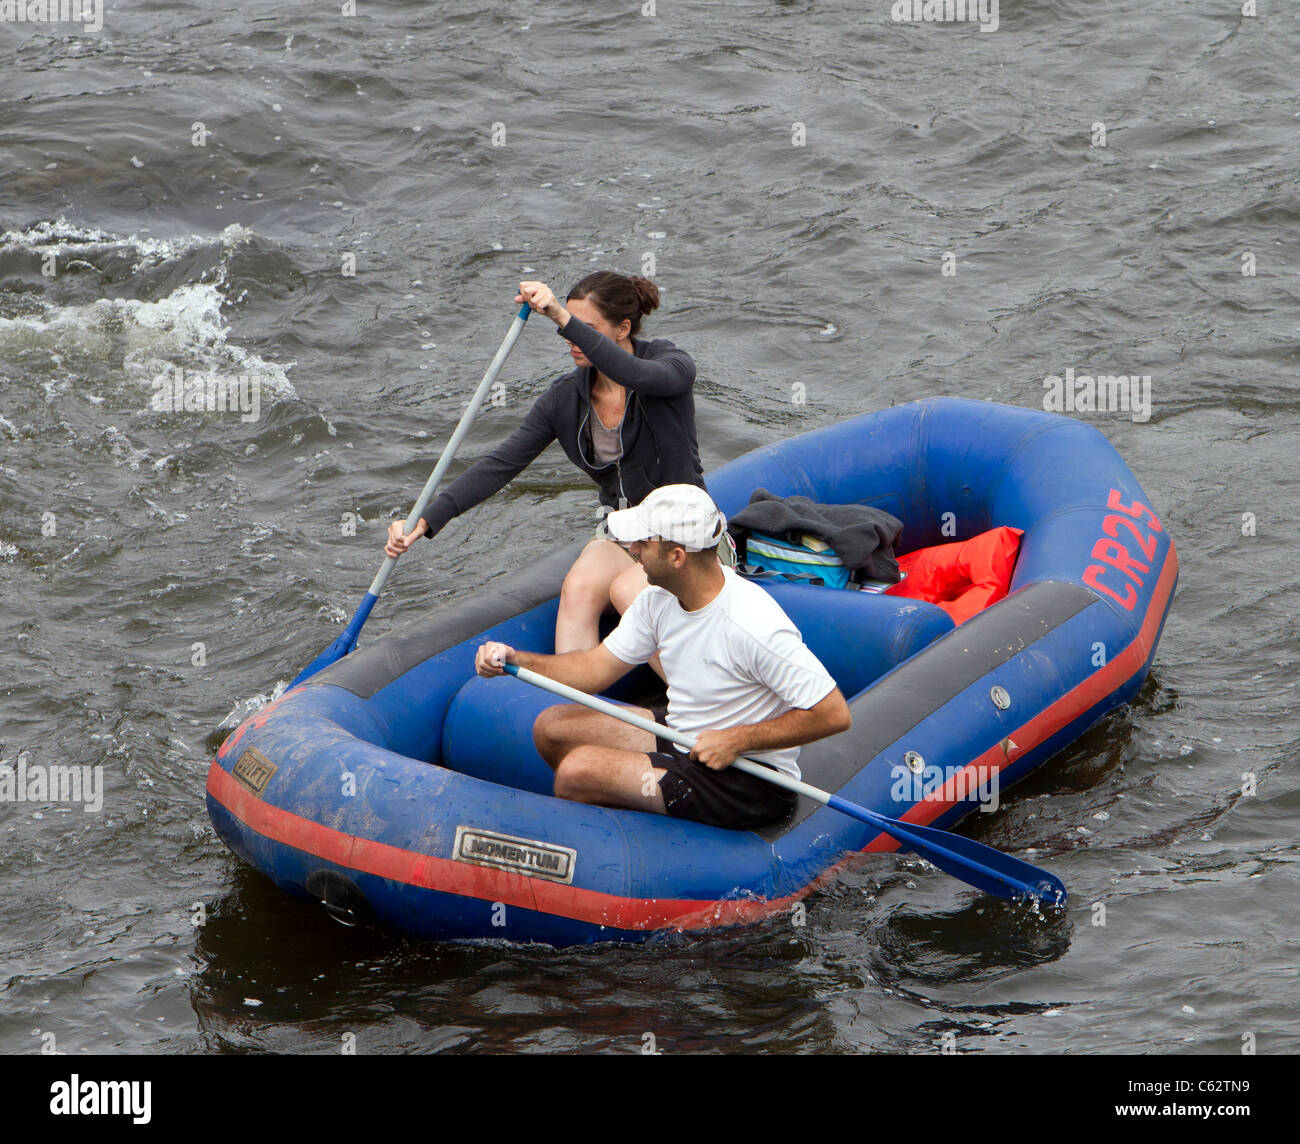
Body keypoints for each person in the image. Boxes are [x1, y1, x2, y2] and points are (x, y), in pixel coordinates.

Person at [474, 486, 853, 831]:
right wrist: (515, 660)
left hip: (748, 778)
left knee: (578, 770)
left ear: (676, 556)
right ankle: (635, 816)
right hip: (686, 737)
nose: (633, 549)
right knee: (553, 727)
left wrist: (736, 740)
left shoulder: (752, 623)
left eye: (643, 542)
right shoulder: (659, 599)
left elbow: (834, 713)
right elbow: (592, 668)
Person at [386, 271, 704, 653]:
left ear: (623, 328)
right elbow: (502, 462)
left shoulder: (671, 366)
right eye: (570, 325)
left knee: (628, 590)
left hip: (684, 531)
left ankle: (694, 705)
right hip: (623, 532)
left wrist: (560, 317)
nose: (570, 339)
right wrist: (428, 517)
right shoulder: (564, 399)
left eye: (585, 328)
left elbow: (632, 372)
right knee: (579, 587)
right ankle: (576, 703)